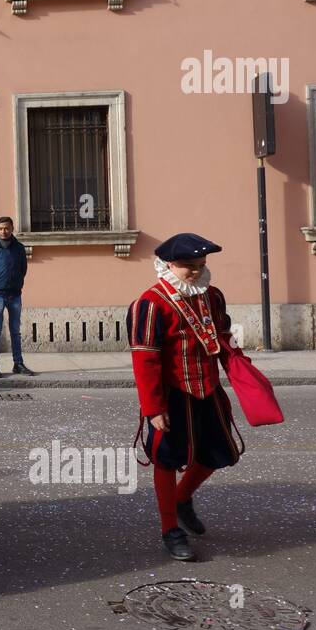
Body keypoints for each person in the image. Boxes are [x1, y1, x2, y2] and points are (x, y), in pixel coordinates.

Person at [128, 233, 245, 563]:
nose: (196, 272)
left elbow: (222, 336)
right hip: (171, 395)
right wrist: (153, 408)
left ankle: (182, 498)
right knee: (166, 459)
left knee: (220, 453)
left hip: (207, 390)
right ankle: (170, 529)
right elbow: (145, 360)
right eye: (189, 267)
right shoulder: (149, 304)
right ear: (168, 265)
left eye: (201, 265)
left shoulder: (213, 297)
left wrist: (241, 369)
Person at [0, 216, 34, 378]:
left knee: (15, 331)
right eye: (1, 228)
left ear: (12, 229)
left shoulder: (18, 248)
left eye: (7, 228)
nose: (4, 231)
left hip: (15, 295)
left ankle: (18, 363)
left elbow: (23, 269)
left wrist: (17, 284)